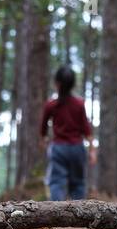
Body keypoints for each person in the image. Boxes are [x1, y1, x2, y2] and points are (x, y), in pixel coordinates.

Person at [39, 66, 96, 201]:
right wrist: (92, 150)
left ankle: (55, 216)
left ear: (57, 83)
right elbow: (86, 129)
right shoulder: (79, 104)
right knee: (78, 184)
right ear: (73, 84)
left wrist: (43, 141)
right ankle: (79, 217)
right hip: (77, 148)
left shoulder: (51, 105)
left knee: (56, 183)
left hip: (58, 148)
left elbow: (43, 129)